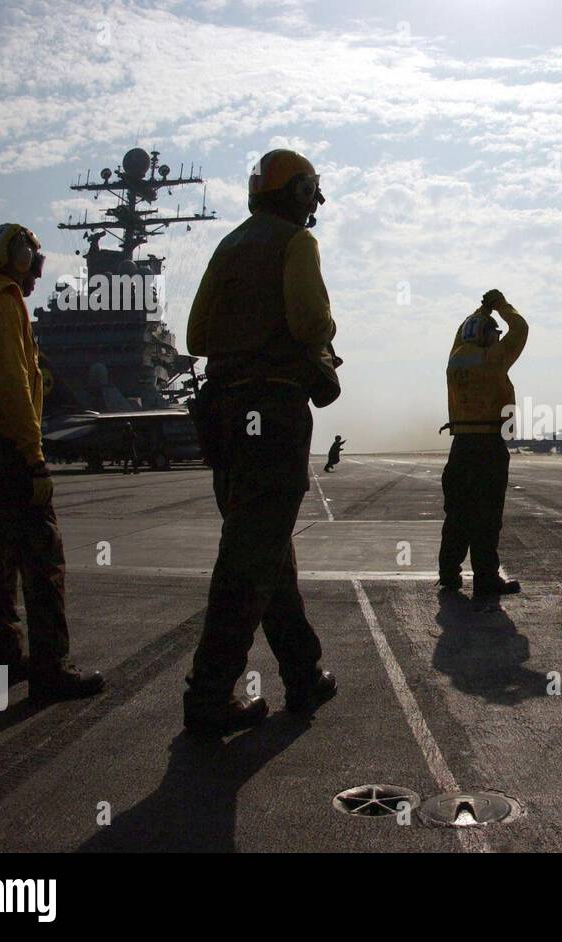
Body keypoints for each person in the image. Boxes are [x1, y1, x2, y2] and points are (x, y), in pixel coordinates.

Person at [183, 148, 340, 735]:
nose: (316, 202)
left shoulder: (230, 244)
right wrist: (323, 332)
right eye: (312, 191)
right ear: (299, 193)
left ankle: (303, 674)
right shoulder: (296, 243)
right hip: (270, 413)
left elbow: (196, 334)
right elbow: (309, 324)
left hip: (223, 416)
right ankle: (208, 696)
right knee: (250, 559)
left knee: (267, 549)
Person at [0, 223, 105, 702]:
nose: (37, 276)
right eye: (35, 265)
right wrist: (35, 460)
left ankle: (6, 658)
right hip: (6, 452)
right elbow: (15, 386)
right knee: (42, 560)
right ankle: (50, 669)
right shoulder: (6, 302)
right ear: (19, 259)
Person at [438, 289, 527, 601]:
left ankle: (449, 575)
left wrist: (481, 311)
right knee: (486, 517)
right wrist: (500, 305)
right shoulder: (493, 360)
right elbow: (521, 329)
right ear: (488, 335)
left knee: (458, 513)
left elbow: (462, 332)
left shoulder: (455, 359)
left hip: (460, 446)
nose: (498, 336)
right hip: (488, 445)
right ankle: (486, 580)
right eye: (495, 332)